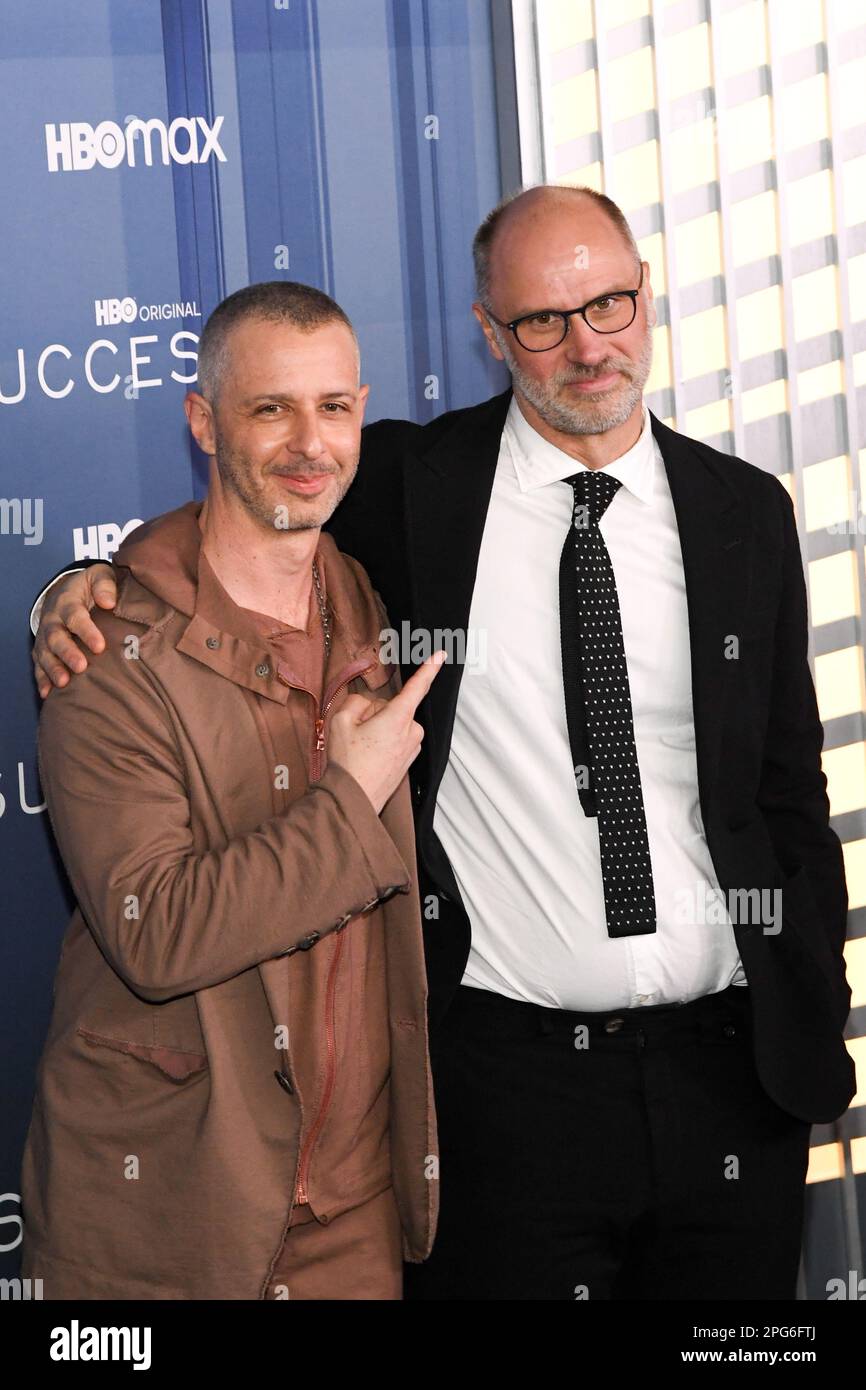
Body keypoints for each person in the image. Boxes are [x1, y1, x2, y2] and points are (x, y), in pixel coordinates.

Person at [31, 186, 855, 1301]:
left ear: (643, 297)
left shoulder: (742, 510)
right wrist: (75, 593)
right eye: (540, 320)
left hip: (730, 1080)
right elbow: (248, 512)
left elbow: (783, 787)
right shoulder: (409, 491)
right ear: (487, 332)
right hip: (506, 1095)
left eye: (606, 302)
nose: (585, 344)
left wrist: (805, 984)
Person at [20, 280, 444, 1300]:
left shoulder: (371, 587)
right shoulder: (107, 653)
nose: (309, 442)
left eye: (334, 407)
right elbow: (156, 931)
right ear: (203, 422)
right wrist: (348, 802)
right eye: (270, 409)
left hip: (355, 1217)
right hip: (167, 1224)